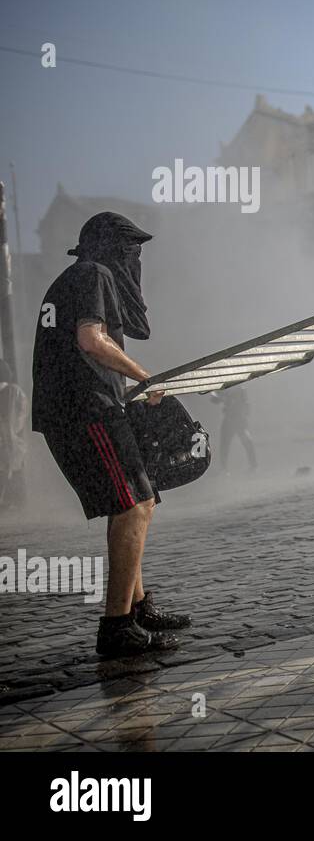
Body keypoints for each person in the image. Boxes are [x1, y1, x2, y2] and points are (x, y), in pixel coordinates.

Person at [31, 212, 191, 658]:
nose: (134, 258)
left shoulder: (73, 276)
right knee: (134, 505)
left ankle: (137, 608)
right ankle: (117, 626)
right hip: (86, 412)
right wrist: (146, 378)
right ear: (109, 248)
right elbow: (91, 339)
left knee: (137, 502)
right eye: (130, 250)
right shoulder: (94, 273)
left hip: (78, 412)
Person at [0, 359, 29, 509]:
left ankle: (11, 500)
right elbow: (22, 413)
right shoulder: (15, 391)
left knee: (8, 470)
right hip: (13, 440)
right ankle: (15, 500)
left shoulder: (12, 391)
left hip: (9, 441)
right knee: (13, 469)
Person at [216, 388, 256, 473]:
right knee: (225, 444)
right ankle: (223, 468)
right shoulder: (224, 389)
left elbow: (246, 404)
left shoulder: (239, 389)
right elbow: (214, 399)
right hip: (230, 418)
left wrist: (243, 414)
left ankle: (253, 465)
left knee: (247, 441)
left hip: (238, 418)